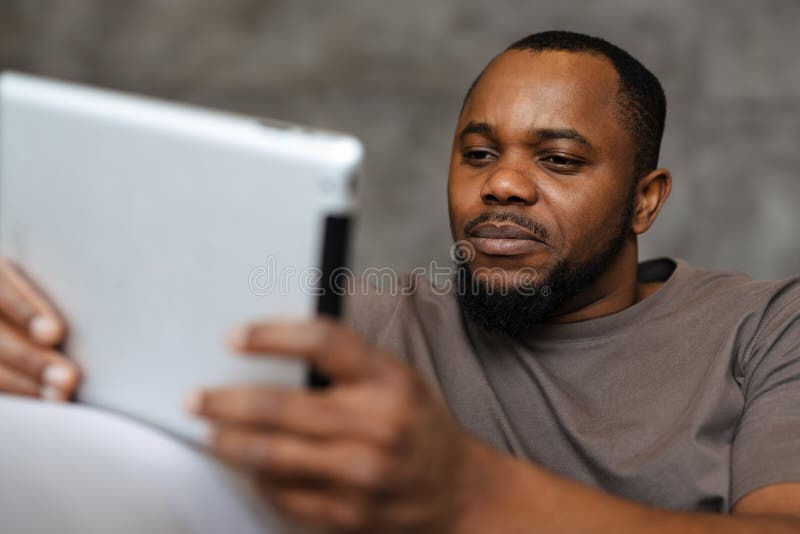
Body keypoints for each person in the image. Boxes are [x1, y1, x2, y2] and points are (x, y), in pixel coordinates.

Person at [1, 30, 799, 532]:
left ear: (644, 200)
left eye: (557, 160)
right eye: (479, 154)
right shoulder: (353, 320)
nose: (503, 186)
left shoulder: (763, 328)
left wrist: (472, 496)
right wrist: (34, 346)